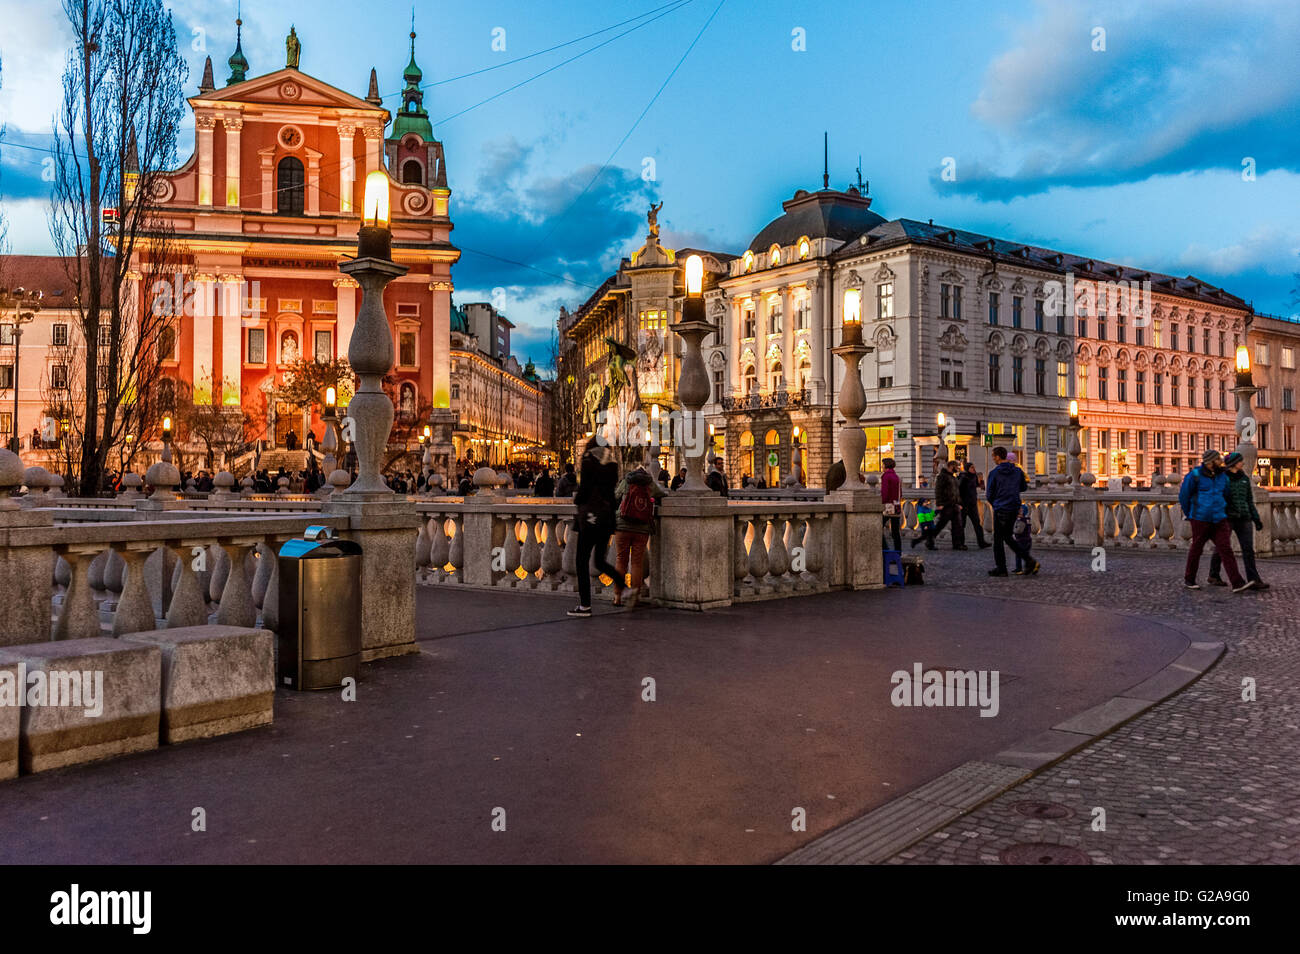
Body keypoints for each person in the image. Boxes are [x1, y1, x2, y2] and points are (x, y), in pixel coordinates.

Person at [1180, 449, 1252, 591]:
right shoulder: (1194, 475)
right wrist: (1191, 514)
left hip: (1219, 518)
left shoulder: (1222, 477)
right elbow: (1184, 496)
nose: (1221, 461)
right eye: (1218, 459)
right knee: (1196, 549)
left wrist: (1224, 509)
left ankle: (1237, 582)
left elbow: (1226, 494)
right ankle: (1189, 579)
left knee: (1226, 549)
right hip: (1200, 518)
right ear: (1210, 462)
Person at [568, 438, 620, 617]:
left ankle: (584, 605)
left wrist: (578, 500)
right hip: (607, 518)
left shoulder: (589, 459)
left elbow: (585, 488)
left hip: (590, 518)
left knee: (581, 561)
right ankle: (624, 586)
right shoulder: (612, 463)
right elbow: (613, 492)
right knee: (599, 560)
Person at [613, 449, 666, 609]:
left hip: (622, 525)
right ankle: (635, 597)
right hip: (642, 527)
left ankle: (617, 596)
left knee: (621, 561)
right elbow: (662, 495)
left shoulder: (626, 481)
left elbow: (616, 496)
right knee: (636, 563)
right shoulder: (650, 484)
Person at [1207, 452, 1268, 590]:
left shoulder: (1245, 479)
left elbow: (1249, 500)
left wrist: (1256, 518)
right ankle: (1214, 574)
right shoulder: (1222, 478)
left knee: (1248, 549)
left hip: (1244, 517)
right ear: (1234, 463)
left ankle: (1254, 579)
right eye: (1240, 461)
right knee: (1222, 547)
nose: (1243, 463)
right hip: (1227, 517)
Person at [986, 445, 1039, 576]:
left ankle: (1004, 567)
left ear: (998, 457)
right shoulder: (1017, 471)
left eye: (993, 456)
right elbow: (1023, 487)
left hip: (1001, 508)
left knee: (1000, 539)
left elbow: (989, 493)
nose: (993, 458)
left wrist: (996, 503)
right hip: (1014, 506)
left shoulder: (994, 473)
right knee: (1007, 536)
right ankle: (1027, 561)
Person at [914, 458, 965, 550]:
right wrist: (939, 503)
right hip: (946, 504)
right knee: (940, 525)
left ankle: (957, 544)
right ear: (950, 467)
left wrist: (959, 503)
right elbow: (938, 491)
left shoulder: (953, 477)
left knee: (957, 525)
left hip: (954, 504)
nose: (957, 468)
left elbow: (956, 492)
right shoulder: (942, 476)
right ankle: (929, 540)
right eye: (956, 467)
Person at [958, 461, 990, 548]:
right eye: (972, 467)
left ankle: (981, 542)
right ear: (967, 468)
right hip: (964, 505)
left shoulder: (974, 477)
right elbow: (958, 490)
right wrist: (959, 503)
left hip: (972, 504)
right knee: (962, 525)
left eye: (974, 467)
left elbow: (976, 487)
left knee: (977, 524)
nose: (974, 469)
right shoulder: (963, 477)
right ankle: (961, 543)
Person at [881, 457, 902, 551]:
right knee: (895, 532)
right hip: (896, 505)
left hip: (888, 506)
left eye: (882, 465)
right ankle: (898, 552)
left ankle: (885, 549)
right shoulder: (896, 476)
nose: (882, 467)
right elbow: (900, 493)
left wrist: (882, 502)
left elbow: (884, 492)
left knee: (877, 527)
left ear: (886, 465)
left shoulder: (886, 476)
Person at [1012, 504, 1033, 574]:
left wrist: (1013, 529)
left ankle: (1019, 568)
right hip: (1028, 540)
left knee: (1019, 554)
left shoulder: (1021, 520)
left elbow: (1018, 531)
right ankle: (1029, 568)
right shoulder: (1027, 520)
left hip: (1022, 540)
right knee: (1026, 555)